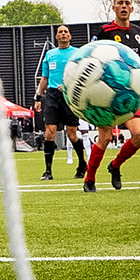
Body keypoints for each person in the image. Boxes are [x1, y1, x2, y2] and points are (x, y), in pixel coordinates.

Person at [82, 0, 140, 192]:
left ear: (132, 8)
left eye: (127, 3)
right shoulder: (104, 30)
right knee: (104, 137)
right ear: (113, 8)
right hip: (105, 93)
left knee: (139, 134)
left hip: (129, 94)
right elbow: (89, 54)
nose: (124, 6)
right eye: (120, 3)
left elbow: (137, 57)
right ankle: (90, 179)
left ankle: (115, 166)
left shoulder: (138, 32)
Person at [33, 25, 88, 181]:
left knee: (72, 134)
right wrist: (38, 98)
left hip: (70, 96)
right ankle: (48, 171)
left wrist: (67, 84)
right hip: (52, 96)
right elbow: (44, 78)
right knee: (49, 132)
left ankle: (82, 163)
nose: (63, 34)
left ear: (70, 36)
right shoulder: (50, 55)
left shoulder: (77, 53)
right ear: (56, 37)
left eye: (66, 32)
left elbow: (83, 75)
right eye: (60, 32)